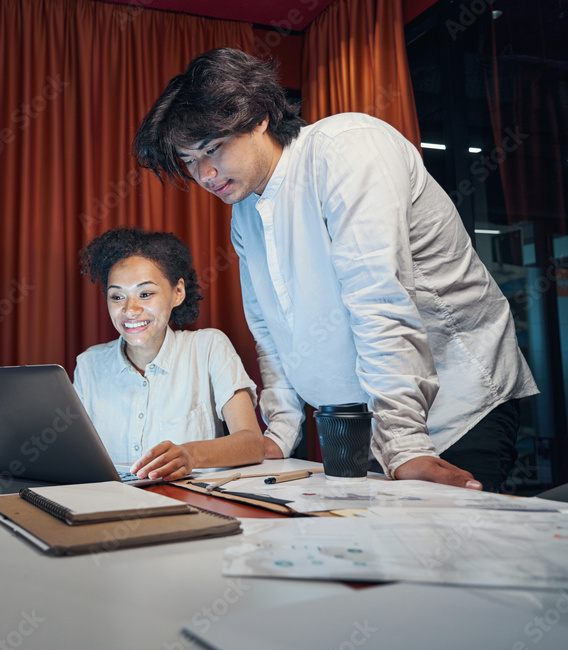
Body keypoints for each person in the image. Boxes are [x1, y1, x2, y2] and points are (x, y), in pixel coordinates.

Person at [131, 48, 538, 492]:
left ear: (260, 117)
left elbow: (379, 299)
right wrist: (280, 431)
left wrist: (403, 442)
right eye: (189, 161)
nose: (205, 173)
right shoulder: (245, 213)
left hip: (451, 412)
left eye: (213, 148)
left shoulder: (346, 150)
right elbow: (272, 329)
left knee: (456, 556)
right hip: (365, 432)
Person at [73, 227, 264, 482]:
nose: (130, 310)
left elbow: (252, 443)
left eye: (145, 294)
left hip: (193, 507)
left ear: (178, 292)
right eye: (117, 296)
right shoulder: (89, 365)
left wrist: (190, 454)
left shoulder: (209, 347)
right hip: (108, 507)